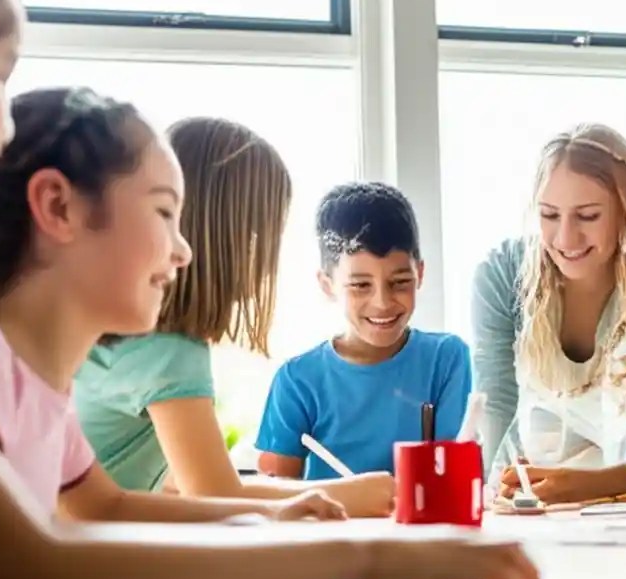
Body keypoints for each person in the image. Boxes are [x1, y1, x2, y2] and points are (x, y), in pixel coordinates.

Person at [0, 0, 539, 579]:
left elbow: (102, 507)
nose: (183, 251)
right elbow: (29, 571)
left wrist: (282, 523)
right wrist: (362, 557)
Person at [74, 117, 393, 517]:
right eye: (267, 233)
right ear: (236, 237)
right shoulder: (168, 349)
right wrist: (354, 495)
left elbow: (186, 486)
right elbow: (214, 497)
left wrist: (337, 492)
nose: (269, 257)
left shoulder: (118, 331)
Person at [474, 124, 626, 504]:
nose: (565, 238)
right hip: (541, 479)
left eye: (588, 216)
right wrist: (490, 490)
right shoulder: (503, 275)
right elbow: (496, 404)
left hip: (622, 491)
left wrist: (573, 485)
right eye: (549, 215)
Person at [256, 182, 472, 479]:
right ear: (327, 284)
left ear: (420, 274)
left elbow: (452, 477)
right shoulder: (296, 380)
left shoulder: (446, 359)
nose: (382, 303)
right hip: (329, 513)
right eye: (360, 285)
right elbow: (276, 491)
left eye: (400, 282)